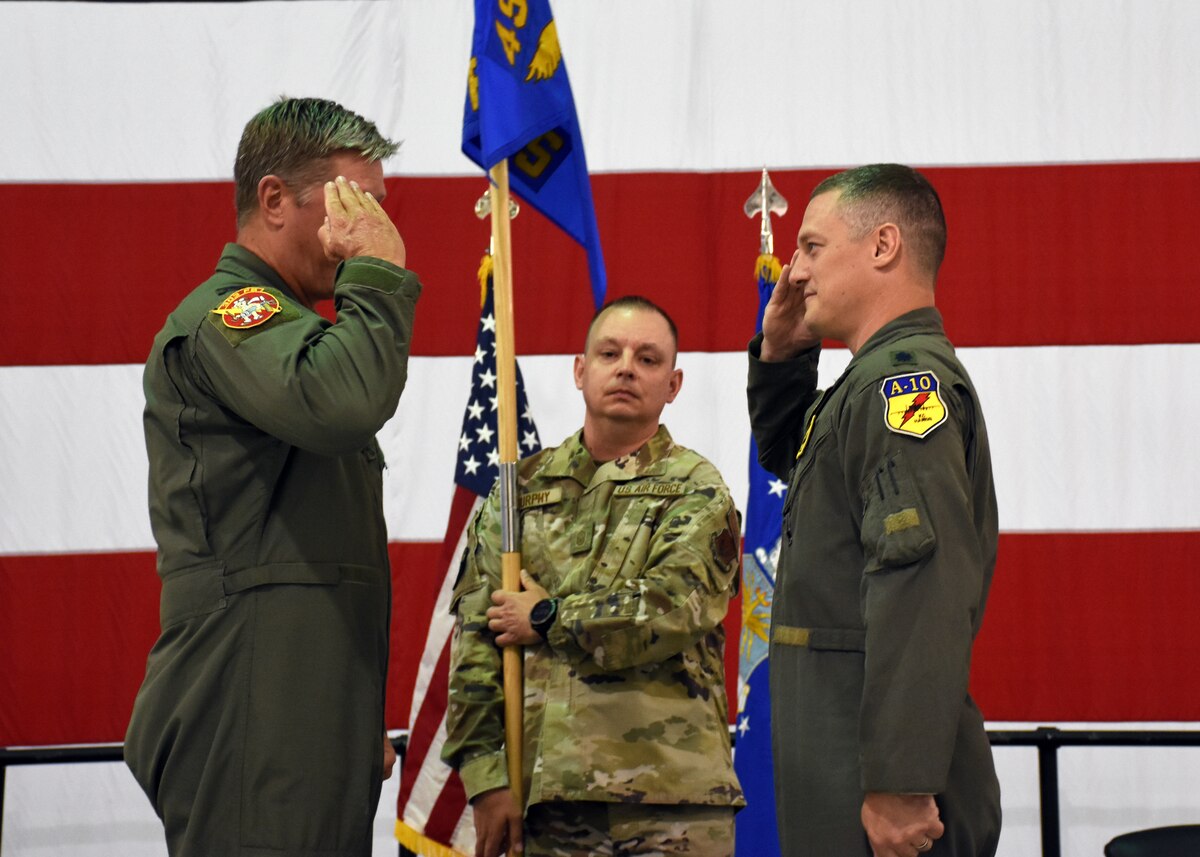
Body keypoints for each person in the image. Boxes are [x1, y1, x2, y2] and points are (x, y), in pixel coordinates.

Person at [124, 96, 421, 857]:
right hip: (253, 705)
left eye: (378, 210)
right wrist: (379, 275)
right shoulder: (233, 316)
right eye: (351, 203)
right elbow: (344, 403)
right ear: (274, 199)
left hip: (300, 708)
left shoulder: (297, 331)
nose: (373, 229)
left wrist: (348, 716)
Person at [747, 164, 1002, 857]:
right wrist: (782, 356)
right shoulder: (866, 382)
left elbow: (920, 586)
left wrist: (901, 778)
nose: (794, 271)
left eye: (812, 246)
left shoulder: (900, 387)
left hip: (878, 790)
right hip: (846, 765)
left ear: (884, 245)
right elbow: (794, 471)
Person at [443, 296, 744, 857]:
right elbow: (477, 638)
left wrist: (549, 617)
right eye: (610, 352)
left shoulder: (696, 488)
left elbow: (673, 608)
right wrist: (486, 777)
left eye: (648, 359)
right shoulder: (517, 493)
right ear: (581, 370)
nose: (627, 366)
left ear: (673, 384)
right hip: (541, 799)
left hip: (669, 804)